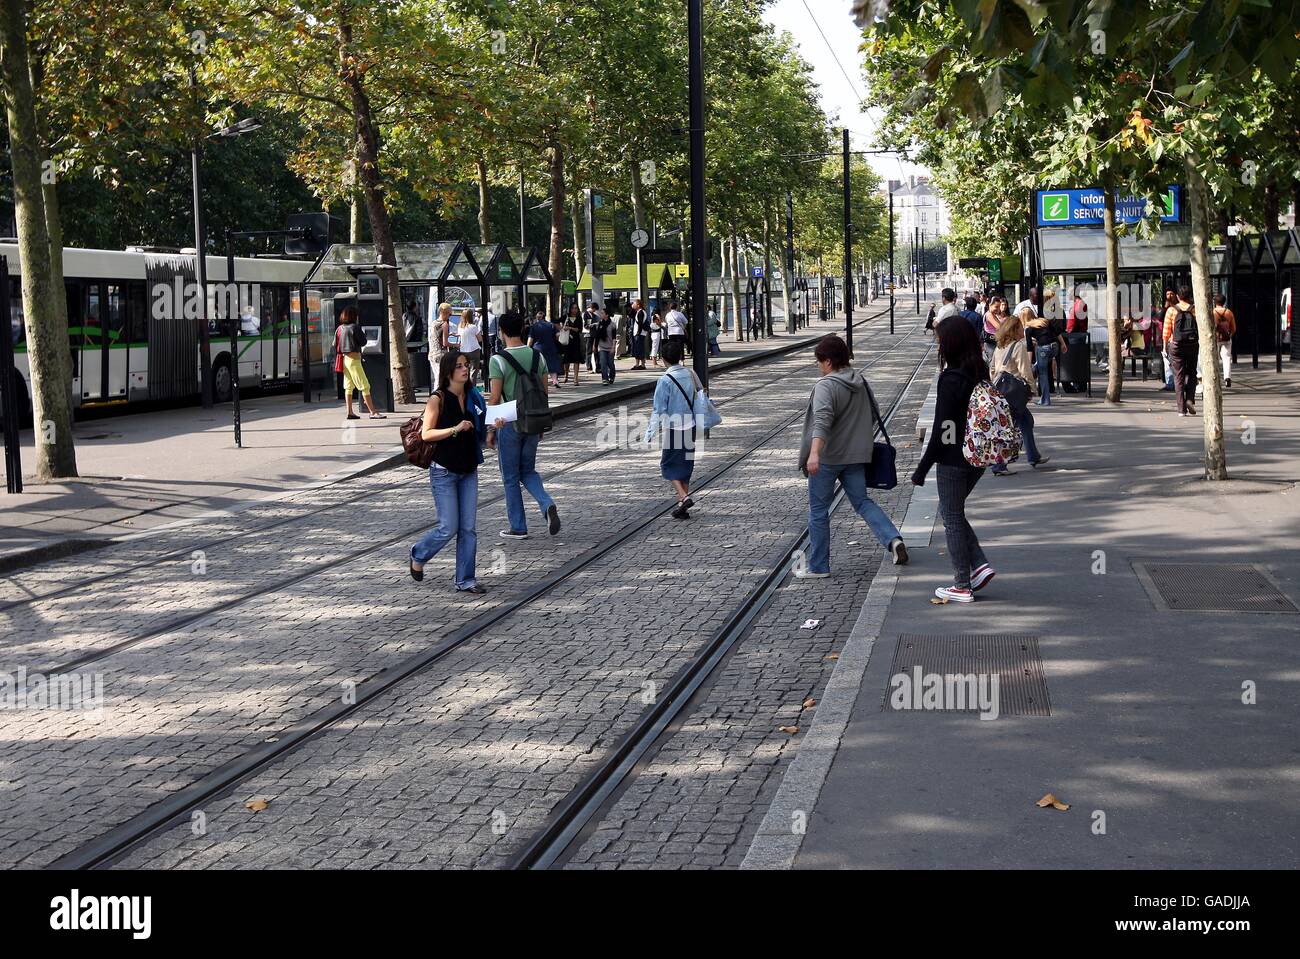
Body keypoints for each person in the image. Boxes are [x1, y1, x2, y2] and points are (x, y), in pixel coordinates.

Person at [796, 334, 908, 577]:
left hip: (827, 458)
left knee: (818, 511)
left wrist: (814, 453)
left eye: (819, 362)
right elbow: (874, 413)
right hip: (856, 457)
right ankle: (893, 540)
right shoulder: (860, 381)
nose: (818, 367)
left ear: (827, 361)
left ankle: (818, 566)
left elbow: (822, 422)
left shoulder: (826, 385)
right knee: (862, 502)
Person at [912, 316, 994, 604]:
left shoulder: (950, 379)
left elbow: (943, 430)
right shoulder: (977, 372)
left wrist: (922, 468)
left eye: (940, 340)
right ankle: (980, 567)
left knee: (952, 518)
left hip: (954, 458)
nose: (937, 344)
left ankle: (962, 584)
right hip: (978, 456)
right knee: (955, 513)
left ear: (950, 343)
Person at [409, 351, 487, 594]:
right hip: (443, 471)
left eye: (467, 365)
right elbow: (426, 434)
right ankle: (419, 554)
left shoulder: (472, 395)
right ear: (448, 371)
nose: (465, 369)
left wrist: (493, 426)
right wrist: (455, 429)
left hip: (468, 468)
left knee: (468, 529)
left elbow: (480, 427)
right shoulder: (437, 399)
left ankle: (466, 580)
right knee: (448, 526)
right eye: (460, 366)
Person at [487, 313, 561, 539]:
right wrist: (539, 425)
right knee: (528, 470)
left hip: (508, 425)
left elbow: (495, 397)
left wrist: (490, 430)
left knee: (510, 477)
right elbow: (544, 393)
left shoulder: (497, 360)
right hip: (533, 421)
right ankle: (546, 503)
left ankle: (518, 526)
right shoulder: (538, 357)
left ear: (501, 332)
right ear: (522, 329)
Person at [644, 338, 703, 519]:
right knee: (685, 465)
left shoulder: (664, 380)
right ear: (680, 357)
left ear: (664, 359)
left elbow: (658, 410)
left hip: (674, 428)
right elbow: (700, 395)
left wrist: (650, 433)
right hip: (691, 426)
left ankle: (684, 497)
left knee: (668, 465)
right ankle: (681, 504)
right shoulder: (691, 373)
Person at [989, 310, 1047, 474]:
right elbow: (1025, 369)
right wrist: (1032, 388)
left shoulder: (1000, 347)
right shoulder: (1018, 346)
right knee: (1010, 427)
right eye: (1021, 329)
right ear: (1014, 330)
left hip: (1001, 392)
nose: (1023, 331)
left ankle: (1033, 455)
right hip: (1014, 393)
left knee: (1025, 421)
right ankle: (999, 465)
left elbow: (992, 369)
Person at [336, 305, 386, 420]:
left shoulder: (339, 328)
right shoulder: (355, 327)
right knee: (365, 386)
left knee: (348, 387)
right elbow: (363, 342)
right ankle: (373, 412)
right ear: (354, 316)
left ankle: (350, 412)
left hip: (344, 360)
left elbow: (335, 344)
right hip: (354, 360)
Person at [1163, 285, 1199, 416]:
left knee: (1179, 376)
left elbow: (1166, 332)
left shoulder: (1172, 310)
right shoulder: (1195, 310)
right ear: (1190, 296)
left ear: (1178, 296)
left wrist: (1164, 347)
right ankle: (1190, 399)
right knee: (1192, 373)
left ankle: (1181, 409)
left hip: (1176, 345)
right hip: (1192, 344)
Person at [1025, 308, 1067, 405]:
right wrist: (1063, 344)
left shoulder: (1029, 329)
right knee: (1041, 365)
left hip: (1043, 349)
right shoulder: (1044, 321)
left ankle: (1045, 400)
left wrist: (1028, 363)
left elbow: (1030, 348)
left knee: (1042, 374)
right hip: (1055, 347)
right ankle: (1036, 366)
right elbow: (1057, 332)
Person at [528, 309, 563, 389]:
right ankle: (555, 381)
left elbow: (530, 340)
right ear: (544, 318)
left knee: (539, 366)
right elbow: (558, 335)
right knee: (552, 365)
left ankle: (540, 383)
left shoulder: (534, 326)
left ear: (537, 318)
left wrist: (528, 347)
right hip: (551, 347)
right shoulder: (551, 325)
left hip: (538, 348)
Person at [1213, 293, 1237, 388]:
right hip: (1226, 338)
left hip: (1215, 338)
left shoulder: (1212, 312)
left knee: (1215, 358)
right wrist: (1229, 335)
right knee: (1226, 358)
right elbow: (1234, 328)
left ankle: (1215, 377)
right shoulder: (1229, 312)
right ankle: (1227, 378)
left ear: (1215, 302)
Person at [560, 303, 585, 384]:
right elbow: (555, 321)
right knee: (566, 360)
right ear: (570, 309)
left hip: (576, 341)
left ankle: (575, 378)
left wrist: (570, 328)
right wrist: (561, 329)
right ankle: (566, 375)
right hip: (567, 341)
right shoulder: (566, 317)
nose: (574, 310)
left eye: (576, 308)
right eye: (573, 308)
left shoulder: (579, 318)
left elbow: (579, 329)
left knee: (576, 360)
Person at [456, 308, 482, 384]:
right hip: (474, 350)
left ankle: (465, 387)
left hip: (463, 351)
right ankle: (472, 387)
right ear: (471, 316)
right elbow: (480, 339)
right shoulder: (473, 327)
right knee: (474, 371)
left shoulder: (460, 327)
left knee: (465, 370)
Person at [593, 307, 618, 384]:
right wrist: (595, 346)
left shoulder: (612, 325)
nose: (601, 314)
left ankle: (612, 376)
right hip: (602, 347)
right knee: (603, 362)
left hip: (610, 347)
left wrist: (613, 347)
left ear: (607, 315)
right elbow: (596, 336)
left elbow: (614, 337)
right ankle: (605, 378)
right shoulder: (599, 324)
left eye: (602, 313)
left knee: (610, 364)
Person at [629, 298, 649, 370]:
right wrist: (632, 308)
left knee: (639, 348)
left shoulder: (640, 312)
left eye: (634, 304)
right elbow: (630, 315)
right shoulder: (638, 312)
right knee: (638, 348)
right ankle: (639, 364)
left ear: (638, 305)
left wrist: (638, 332)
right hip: (639, 333)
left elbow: (640, 323)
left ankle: (641, 364)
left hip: (639, 333)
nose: (632, 305)